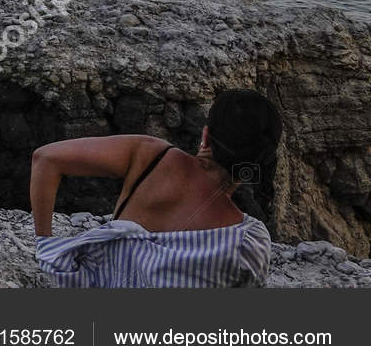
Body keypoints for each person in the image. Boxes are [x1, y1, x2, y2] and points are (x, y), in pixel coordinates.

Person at [30, 89, 282, 287]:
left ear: (206, 136)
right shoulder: (248, 242)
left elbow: (46, 158)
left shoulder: (150, 156)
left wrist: (45, 245)